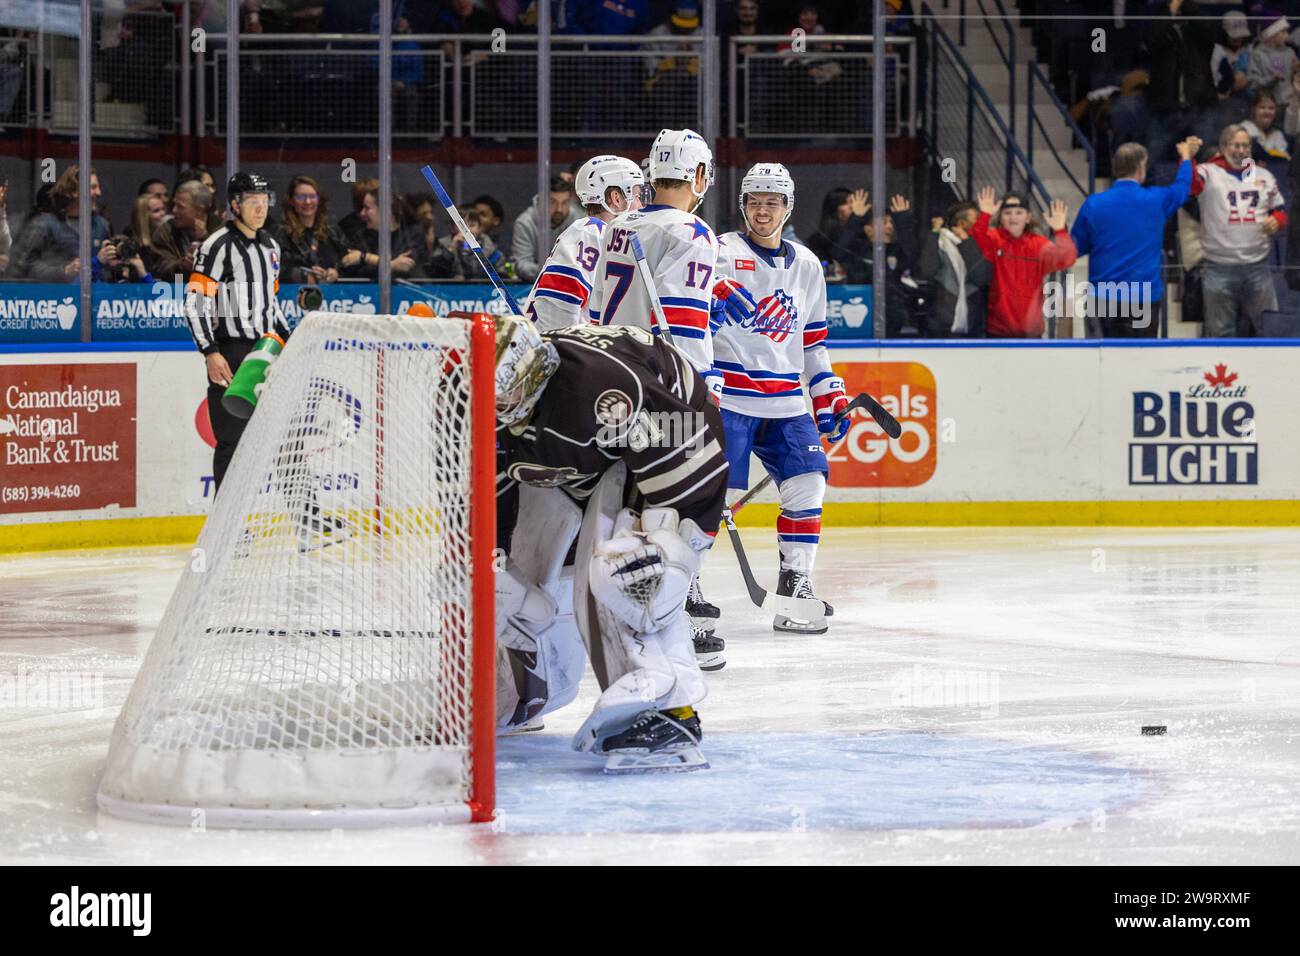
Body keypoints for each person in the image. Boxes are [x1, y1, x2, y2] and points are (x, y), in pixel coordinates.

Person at [493, 317, 728, 772]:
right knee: (496, 581)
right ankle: (519, 692)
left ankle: (665, 710)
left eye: (504, 396)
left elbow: (689, 465)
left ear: (534, 375)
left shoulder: (603, 391)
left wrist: (678, 548)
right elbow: (493, 491)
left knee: (631, 571)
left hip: (665, 444)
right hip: (577, 453)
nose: (495, 408)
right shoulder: (486, 403)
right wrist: (495, 562)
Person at [590, 128, 757, 669]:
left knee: (625, 506)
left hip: (609, 381)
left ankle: (617, 615)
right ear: (700, 178)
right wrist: (700, 388)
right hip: (663, 388)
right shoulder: (693, 231)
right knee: (684, 509)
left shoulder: (620, 226)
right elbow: (683, 325)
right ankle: (666, 621)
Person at [713, 162, 842, 636]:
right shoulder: (719, 253)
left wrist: (826, 391)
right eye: (753, 201)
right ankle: (685, 592)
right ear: (743, 205)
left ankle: (796, 585)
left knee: (809, 484)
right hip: (731, 399)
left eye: (771, 202)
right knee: (711, 497)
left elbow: (812, 341)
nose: (761, 210)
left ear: (788, 207)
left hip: (787, 403)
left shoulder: (807, 264)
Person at [184, 172, 291, 494]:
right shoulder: (217, 245)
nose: (261, 209)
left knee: (286, 438)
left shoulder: (271, 246)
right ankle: (226, 529)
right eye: (252, 202)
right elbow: (196, 303)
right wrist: (210, 352)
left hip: (266, 350)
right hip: (232, 352)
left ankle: (308, 519)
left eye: (264, 202)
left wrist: (288, 340)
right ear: (235, 205)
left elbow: (270, 303)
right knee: (233, 443)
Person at [1069, 138, 1200, 337]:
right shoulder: (1155, 200)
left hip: (1103, 298)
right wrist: (1185, 159)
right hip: (1144, 297)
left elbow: (1074, 249)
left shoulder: (1094, 204)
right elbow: (1181, 188)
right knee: (1140, 363)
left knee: (1101, 364)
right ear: (1141, 168)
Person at [522, 155, 648, 331]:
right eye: (635, 196)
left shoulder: (605, 234)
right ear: (616, 198)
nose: (640, 205)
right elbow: (559, 304)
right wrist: (565, 352)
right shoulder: (590, 232)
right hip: (562, 350)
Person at [1190, 124, 1287, 336]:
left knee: (1270, 329)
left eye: (1246, 146)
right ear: (1224, 147)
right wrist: (1188, 159)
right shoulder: (1207, 172)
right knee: (1219, 333)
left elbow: (1280, 211)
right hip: (1218, 268)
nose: (1241, 150)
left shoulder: (1265, 176)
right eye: (1236, 145)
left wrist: (1276, 221)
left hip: (1258, 267)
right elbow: (1191, 187)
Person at [971, 189, 1078, 338]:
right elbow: (975, 241)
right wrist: (984, 215)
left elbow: (1067, 259)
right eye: (1007, 213)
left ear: (1028, 218)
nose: (1013, 217)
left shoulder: (1038, 244)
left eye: (1019, 212)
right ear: (1000, 218)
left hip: (1031, 333)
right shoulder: (994, 239)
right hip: (998, 331)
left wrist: (1060, 230)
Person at [3, 164, 110, 282]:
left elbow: (106, 272)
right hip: (56, 297)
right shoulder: (45, 224)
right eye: (93, 187)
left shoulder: (102, 226)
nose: (99, 192)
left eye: (98, 187)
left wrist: (114, 264)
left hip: (94, 297)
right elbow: (25, 266)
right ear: (74, 192)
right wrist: (64, 270)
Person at [917, 200, 992, 337]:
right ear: (962, 223)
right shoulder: (938, 242)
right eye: (976, 219)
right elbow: (927, 270)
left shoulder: (978, 244)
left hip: (973, 325)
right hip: (940, 326)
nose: (980, 223)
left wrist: (967, 243)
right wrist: (934, 234)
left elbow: (981, 277)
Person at [272, 174, 348, 284]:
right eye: (301, 197)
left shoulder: (332, 232)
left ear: (319, 199)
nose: (307, 202)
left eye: (312, 196)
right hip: (291, 296)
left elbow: (349, 261)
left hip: (334, 297)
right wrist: (302, 276)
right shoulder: (280, 232)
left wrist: (336, 272)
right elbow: (272, 266)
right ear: (292, 201)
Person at [339, 185, 422, 280]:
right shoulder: (360, 238)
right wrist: (391, 265)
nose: (362, 213)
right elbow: (355, 272)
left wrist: (366, 258)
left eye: (367, 208)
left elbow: (407, 267)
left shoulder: (412, 234)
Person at [510, 176, 581, 282]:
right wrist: (556, 273)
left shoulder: (578, 221)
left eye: (564, 202)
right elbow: (522, 264)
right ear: (541, 201)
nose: (559, 209)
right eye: (553, 202)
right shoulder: (525, 222)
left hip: (569, 284)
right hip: (533, 286)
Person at [148, 179, 219, 284]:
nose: (174, 210)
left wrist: (205, 239)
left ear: (199, 209)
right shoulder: (166, 231)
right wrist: (183, 266)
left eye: (180, 207)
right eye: (174, 205)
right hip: (176, 295)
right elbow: (159, 269)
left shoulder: (222, 230)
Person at [1248, 17, 1297, 108]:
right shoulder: (1258, 55)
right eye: (1283, 32)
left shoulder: (1289, 52)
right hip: (1268, 104)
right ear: (1272, 34)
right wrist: (1271, 79)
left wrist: (1296, 70)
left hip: (1290, 102)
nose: (1287, 35)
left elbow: (1295, 77)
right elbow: (1253, 83)